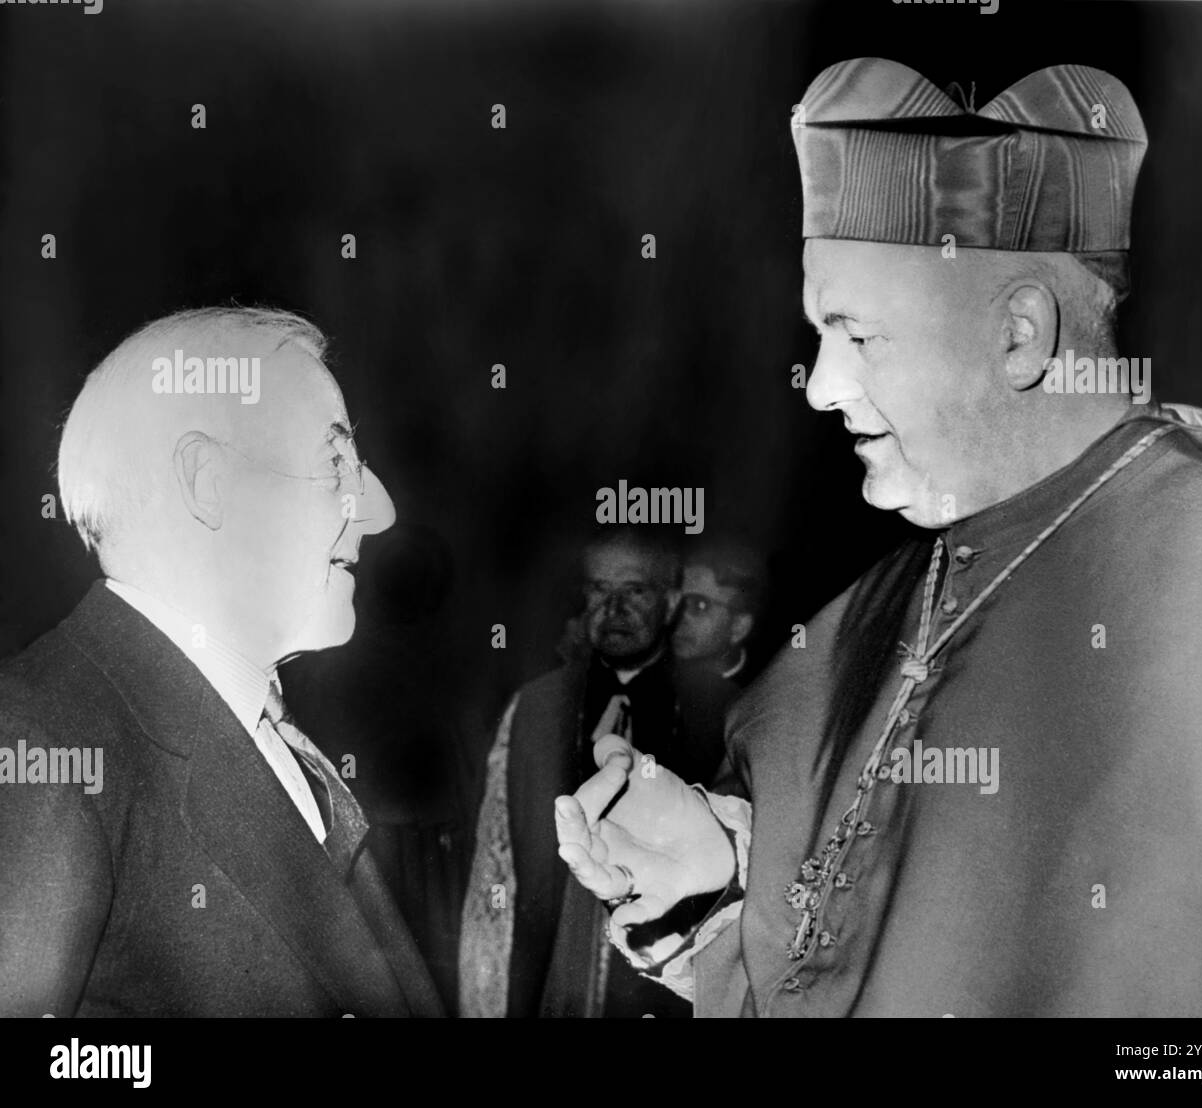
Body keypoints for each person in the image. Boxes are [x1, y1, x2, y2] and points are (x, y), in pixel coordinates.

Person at [556, 59, 1202, 1017]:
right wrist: (720, 877)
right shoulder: (881, 602)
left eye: (858, 335)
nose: (820, 385)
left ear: (1021, 337)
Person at [0, 306, 444, 1017]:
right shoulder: (39, 746)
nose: (380, 509)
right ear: (209, 481)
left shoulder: (265, 733)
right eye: (336, 460)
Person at [459, 527, 736, 1017]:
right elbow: (494, 859)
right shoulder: (536, 705)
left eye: (635, 591)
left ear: (671, 601)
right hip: (548, 961)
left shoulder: (720, 708)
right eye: (598, 590)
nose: (614, 608)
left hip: (666, 967)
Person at [672, 541, 765, 685]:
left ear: (739, 626)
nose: (677, 618)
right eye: (676, 601)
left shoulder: (764, 692)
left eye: (699, 605)